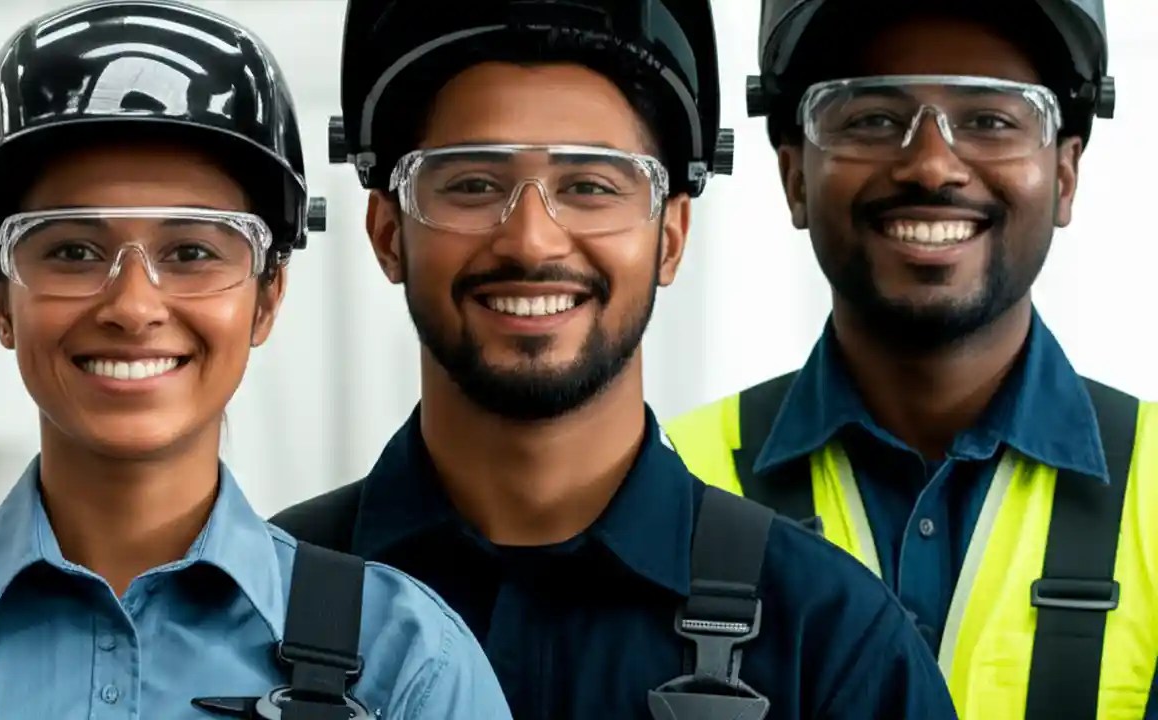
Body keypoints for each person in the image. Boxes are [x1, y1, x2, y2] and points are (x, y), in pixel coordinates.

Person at [271, 2, 959, 719]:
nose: (532, 242)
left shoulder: (828, 637)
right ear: (387, 233)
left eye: (591, 186)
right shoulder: (252, 602)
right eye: (473, 184)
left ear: (670, 237)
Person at [0, 2, 512, 719]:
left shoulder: (405, 667)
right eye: (72, 251)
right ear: (1, 296)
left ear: (267, 296)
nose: (133, 306)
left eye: (192, 252)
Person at [662, 1, 1158, 719]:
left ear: (1066, 176)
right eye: (871, 118)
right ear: (794, 176)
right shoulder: (675, 478)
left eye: (990, 118)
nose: (930, 164)